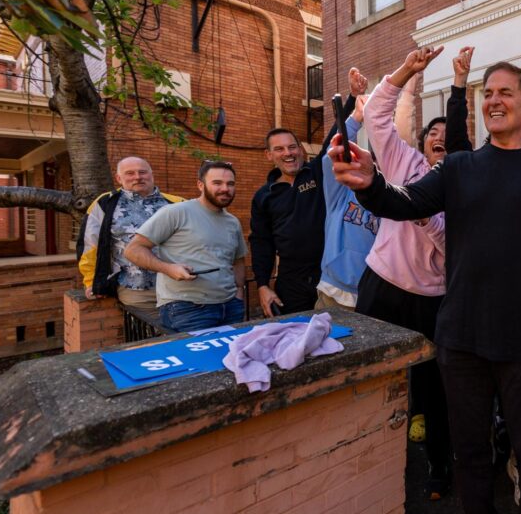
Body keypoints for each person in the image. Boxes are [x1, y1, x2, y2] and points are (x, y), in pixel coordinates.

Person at [333, 55, 521, 514]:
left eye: (504, 92)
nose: (492, 100)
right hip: (461, 339)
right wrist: (370, 183)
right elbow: (405, 203)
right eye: (486, 93)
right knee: (471, 452)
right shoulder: (461, 167)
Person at [352, 49, 456, 501]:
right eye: (434, 133)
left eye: (449, 136)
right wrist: (407, 71)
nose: (440, 138)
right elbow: (376, 115)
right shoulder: (405, 165)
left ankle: (438, 466)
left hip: (432, 299)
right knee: (368, 378)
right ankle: (362, 459)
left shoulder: (464, 186)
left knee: (434, 389)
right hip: (381, 287)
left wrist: (417, 210)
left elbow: (455, 250)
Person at [250, 69, 367, 317]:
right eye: (279, 149)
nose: (288, 153)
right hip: (291, 282)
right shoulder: (263, 196)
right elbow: (262, 242)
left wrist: (351, 98)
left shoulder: (317, 174)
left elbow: (333, 142)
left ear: (301, 150)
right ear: (269, 155)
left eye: (292, 147)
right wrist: (262, 285)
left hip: (329, 276)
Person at [124, 161, 248, 333]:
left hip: (231, 307)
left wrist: (239, 293)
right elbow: (133, 249)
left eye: (230, 184)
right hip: (188, 310)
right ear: (200, 185)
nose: (225, 188)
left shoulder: (232, 221)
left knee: (232, 359)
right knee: (198, 361)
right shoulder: (175, 212)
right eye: (217, 183)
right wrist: (168, 268)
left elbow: (238, 260)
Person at [77, 157, 184, 313]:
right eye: (130, 173)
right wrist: (91, 281)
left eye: (142, 172)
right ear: (119, 178)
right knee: (146, 334)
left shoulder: (177, 204)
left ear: (151, 174)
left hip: (177, 285)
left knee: (181, 333)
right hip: (135, 290)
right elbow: (89, 245)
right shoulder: (105, 204)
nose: (137, 177)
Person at [316, 92, 379, 311]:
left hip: (371, 294)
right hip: (332, 292)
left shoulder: (389, 199)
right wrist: (356, 118)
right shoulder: (341, 192)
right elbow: (329, 158)